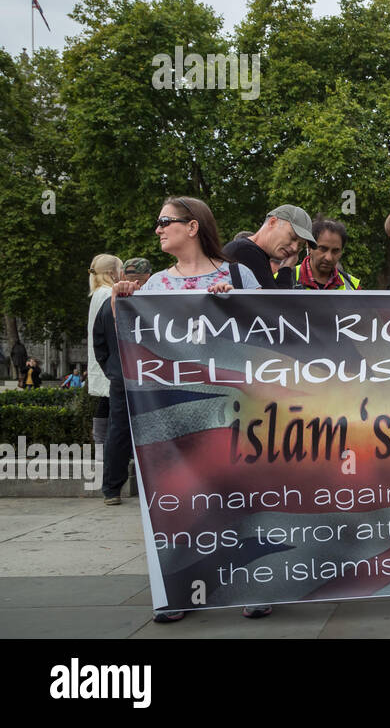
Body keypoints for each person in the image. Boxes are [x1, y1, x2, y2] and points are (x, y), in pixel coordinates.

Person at [114, 196, 266, 623]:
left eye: (165, 221)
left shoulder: (239, 275)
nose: (158, 229)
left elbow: (271, 330)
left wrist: (236, 301)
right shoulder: (157, 286)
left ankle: (257, 586)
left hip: (236, 409)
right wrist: (124, 297)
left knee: (243, 499)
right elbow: (137, 342)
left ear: (193, 226)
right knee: (181, 500)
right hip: (175, 412)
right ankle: (181, 591)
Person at [97, 258, 151, 507]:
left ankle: (111, 489)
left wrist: (111, 370)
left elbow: (99, 343)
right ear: (146, 277)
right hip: (149, 375)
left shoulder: (109, 305)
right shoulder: (150, 301)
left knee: (117, 431)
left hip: (120, 375)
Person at [223, 204, 315, 289]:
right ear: (272, 222)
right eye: (292, 237)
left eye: (300, 245)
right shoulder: (246, 252)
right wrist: (286, 269)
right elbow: (277, 304)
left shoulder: (249, 251)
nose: (295, 248)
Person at [86, 254, 123, 445]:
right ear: (112, 273)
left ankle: (100, 443)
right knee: (110, 403)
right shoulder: (109, 295)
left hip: (102, 357)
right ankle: (103, 445)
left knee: (105, 402)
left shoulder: (98, 293)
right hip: (110, 358)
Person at [289, 217, 360, 290]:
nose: (328, 258)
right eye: (323, 249)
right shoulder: (284, 279)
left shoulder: (353, 287)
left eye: (335, 251)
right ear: (309, 247)